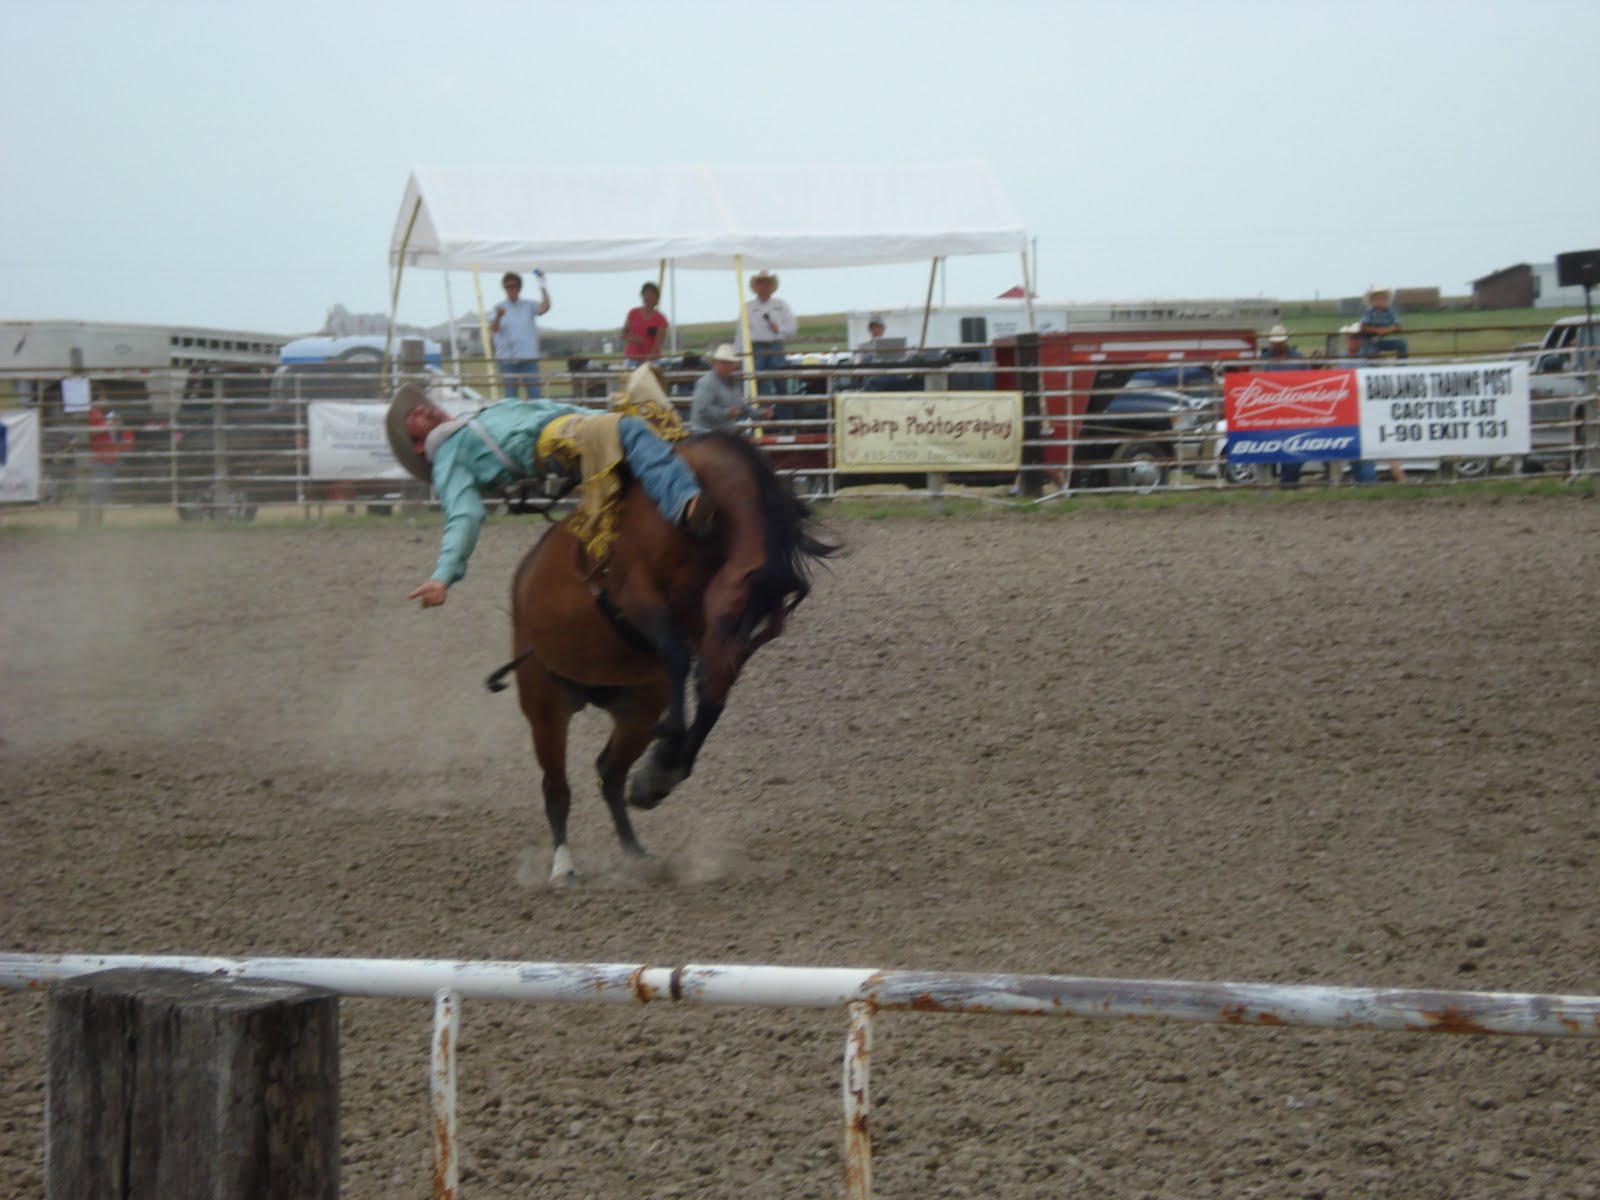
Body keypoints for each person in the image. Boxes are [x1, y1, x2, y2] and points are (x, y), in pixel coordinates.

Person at [389, 372, 710, 609]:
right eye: (411, 417)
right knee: (629, 429)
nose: (419, 409)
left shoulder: (473, 417)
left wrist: (603, 417)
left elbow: (547, 409)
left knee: (646, 393)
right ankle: (684, 505)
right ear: (418, 445)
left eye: (418, 406)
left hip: (571, 423)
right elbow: (464, 515)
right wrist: (442, 576)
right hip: (551, 442)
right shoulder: (447, 455)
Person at [733, 269, 797, 398]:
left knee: (781, 383)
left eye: (767, 283)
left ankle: (784, 410)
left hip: (776, 347)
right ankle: (756, 409)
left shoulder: (781, 305)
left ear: (772, 286)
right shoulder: (748, 307)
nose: (764, 286)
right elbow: (741, 332)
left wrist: (779, 329)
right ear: (756, 287)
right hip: (756, 349)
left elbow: (792, 328)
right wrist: (737, 354)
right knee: (754, 384)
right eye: (761, 283)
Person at [489, 270, 551, 399]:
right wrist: (498, 317)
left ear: (519, 287)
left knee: (535, 396)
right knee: (511, 398)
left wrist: (542, 284)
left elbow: (545, 307)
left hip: (528, 358)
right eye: (507, 286)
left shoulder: (529, 305)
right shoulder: (498, 307)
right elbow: (494, 329)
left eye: (514, 286)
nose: (511, 289)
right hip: (507, 360)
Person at [689, 344, 756, 434]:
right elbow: (702, 411)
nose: (728, 366)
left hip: (722, 433)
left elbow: (741, 406)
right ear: (715, 364)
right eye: (724, 363)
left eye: (730, 363)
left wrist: (759, 413)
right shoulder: (707, 383)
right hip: (704, 433)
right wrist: (726, 413)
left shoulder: (732, 382)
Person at [85, 391, 132, 519]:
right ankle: (95, 520)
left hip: (108, 458)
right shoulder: (91, 414)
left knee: (103, 491)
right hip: (99, 459)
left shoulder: (100, 415)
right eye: (103, 398)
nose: (106, 401)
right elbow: (89, 433)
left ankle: (97, 519)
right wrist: (107, 425)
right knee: (99, 491)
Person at [621, 281, 669, 367]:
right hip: (631, 358)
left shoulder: (661, 319)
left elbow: (658, 343)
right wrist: (635, 339)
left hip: (651, 360)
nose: (647, 297)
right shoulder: (633, 313)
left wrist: (648, 359)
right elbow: (623, 334)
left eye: (651, 295)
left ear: (656, 298)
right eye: (645, 295)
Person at [1358, 285, 1408, 359]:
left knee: (1402, 344)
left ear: (1386, 300)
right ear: (1371, 301)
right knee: (1372, 353)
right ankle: (1374, 365)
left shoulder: (1390, 312)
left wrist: (1387, 330)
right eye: (1377, 299)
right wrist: (1377, 330)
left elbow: (1398, 326)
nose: (1380, 301)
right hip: (1370, 342)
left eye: (1382, 298)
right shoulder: (1369, 312)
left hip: (1383, 340)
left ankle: (1401, 365)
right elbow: (1362, 327)